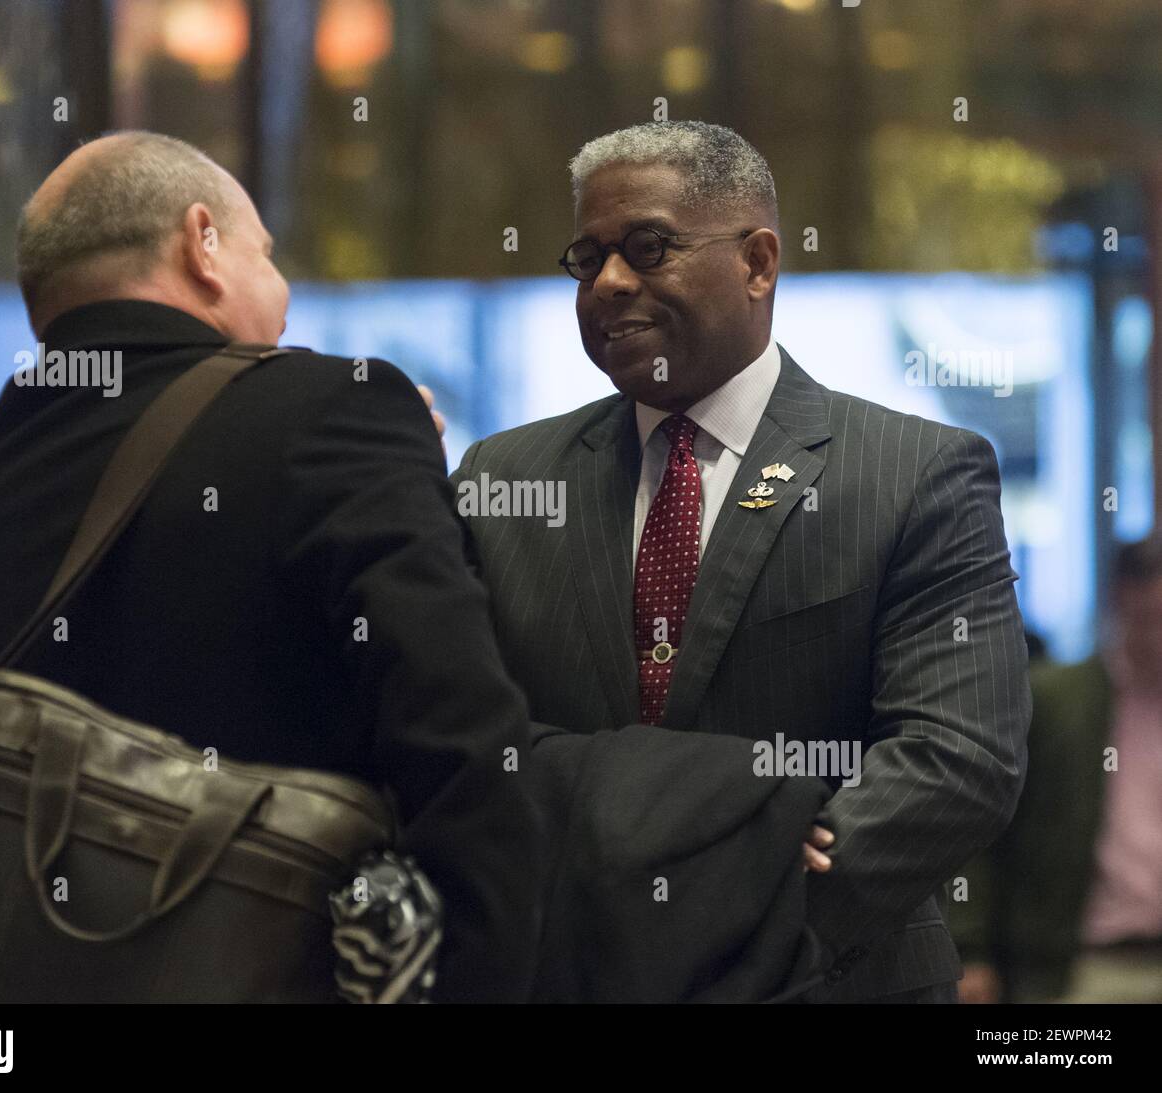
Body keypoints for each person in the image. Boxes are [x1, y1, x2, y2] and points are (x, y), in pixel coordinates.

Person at [0, 131, 545, 1003]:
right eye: (267, 252)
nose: (286, 298)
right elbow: (460, 738)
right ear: (203, 243)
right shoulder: (337, 407)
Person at [452, 120, 1031, 1003]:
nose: (608, 283)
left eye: (648, 248)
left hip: (827, 972)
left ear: (759, 261)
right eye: (588, 257)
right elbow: (467, 744)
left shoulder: (912, 472)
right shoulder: (504, 478)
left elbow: (955, 759)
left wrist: (727, 918)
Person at [952, 537, 1162, 1004]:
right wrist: (969, 950)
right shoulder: (1052, 701)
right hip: (1083, 966)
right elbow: (980, 828)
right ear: (1124, 599)